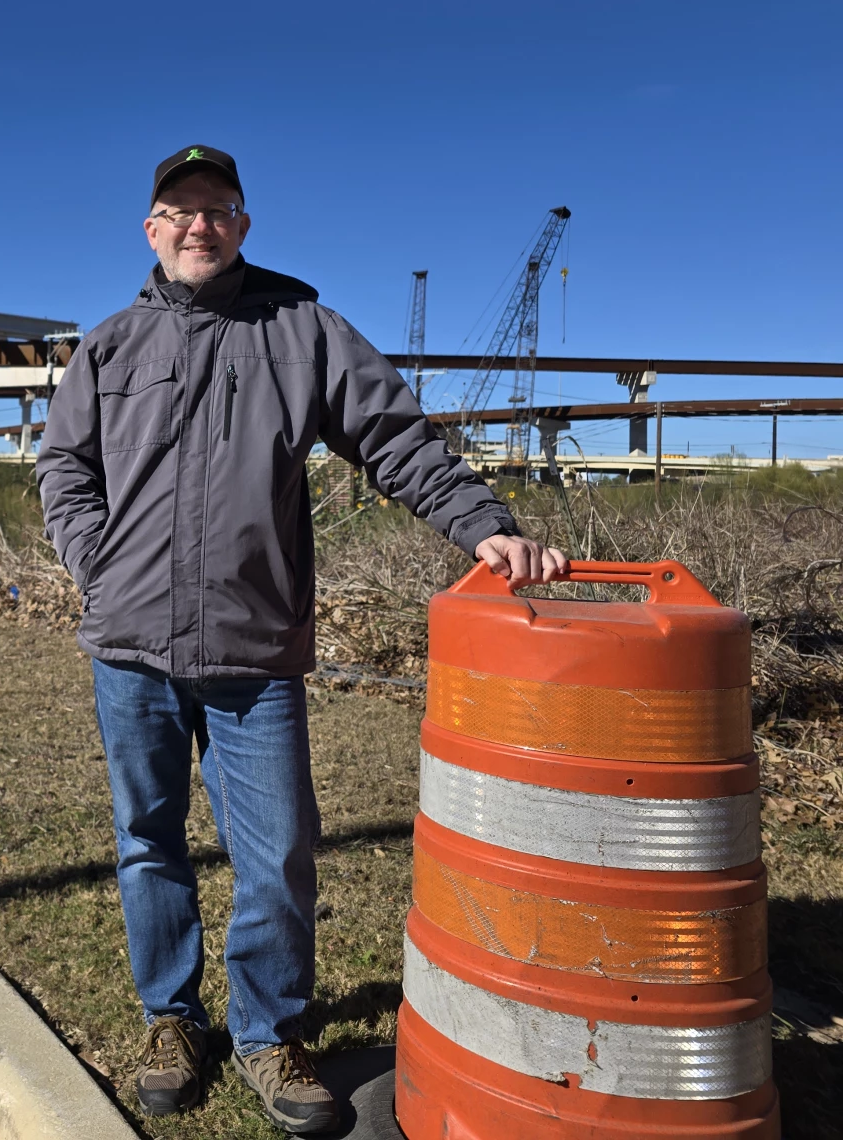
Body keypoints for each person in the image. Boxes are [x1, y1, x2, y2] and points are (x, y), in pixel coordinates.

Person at [34, 145, 568, 1133]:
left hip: (253, 649)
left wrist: (481, 525)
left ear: (241, 226)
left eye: (218, 209)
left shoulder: (303, 333)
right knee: (147, 843)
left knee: (277, 852)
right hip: (128, 647)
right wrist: (94, 563)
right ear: (149, 228)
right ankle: (170, 1019)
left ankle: (267, 1033)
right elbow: (63, 469)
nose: (199, 225)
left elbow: (398, 441)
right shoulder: (107, 347)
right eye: (178, 209)